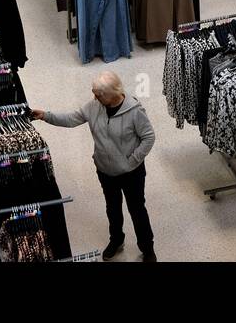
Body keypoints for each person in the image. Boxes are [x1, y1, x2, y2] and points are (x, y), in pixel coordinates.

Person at [32, 71, 157, 261]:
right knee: (112, 208)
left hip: (131, 173)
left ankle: (147, 248)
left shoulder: (135, 111)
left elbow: (149, 137)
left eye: (98, 94)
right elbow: (71, 119)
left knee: (137, 209)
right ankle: (116, 240)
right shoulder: (94, 106)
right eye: (94, 93)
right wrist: (45, 116)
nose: (94, 97)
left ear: (112, 93)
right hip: (105, 171)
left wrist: (131, 161)